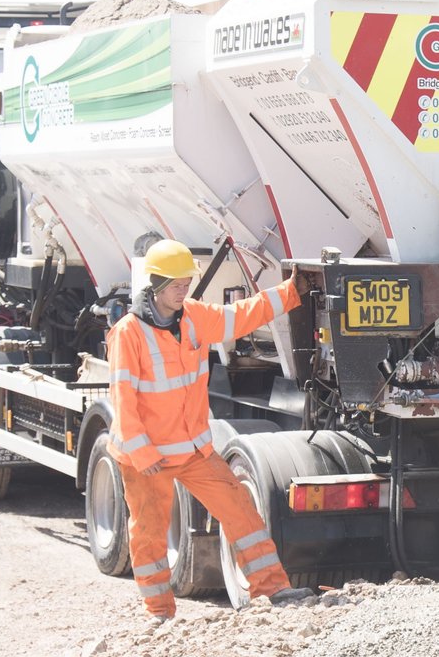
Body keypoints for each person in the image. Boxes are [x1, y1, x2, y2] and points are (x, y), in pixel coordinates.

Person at [108, 239, 308, 618]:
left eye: (187, 284)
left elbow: (242, 315)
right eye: (176, 286)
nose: (184, 291)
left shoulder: (195, 316)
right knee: (149, 535)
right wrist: (142, 452)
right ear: (155, 285)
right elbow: (123, 398)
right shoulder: (128, 333)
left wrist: (289, 292)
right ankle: (159, 614)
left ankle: (274, 590)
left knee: (240, 510)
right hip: (146, 456)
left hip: (192, 450)